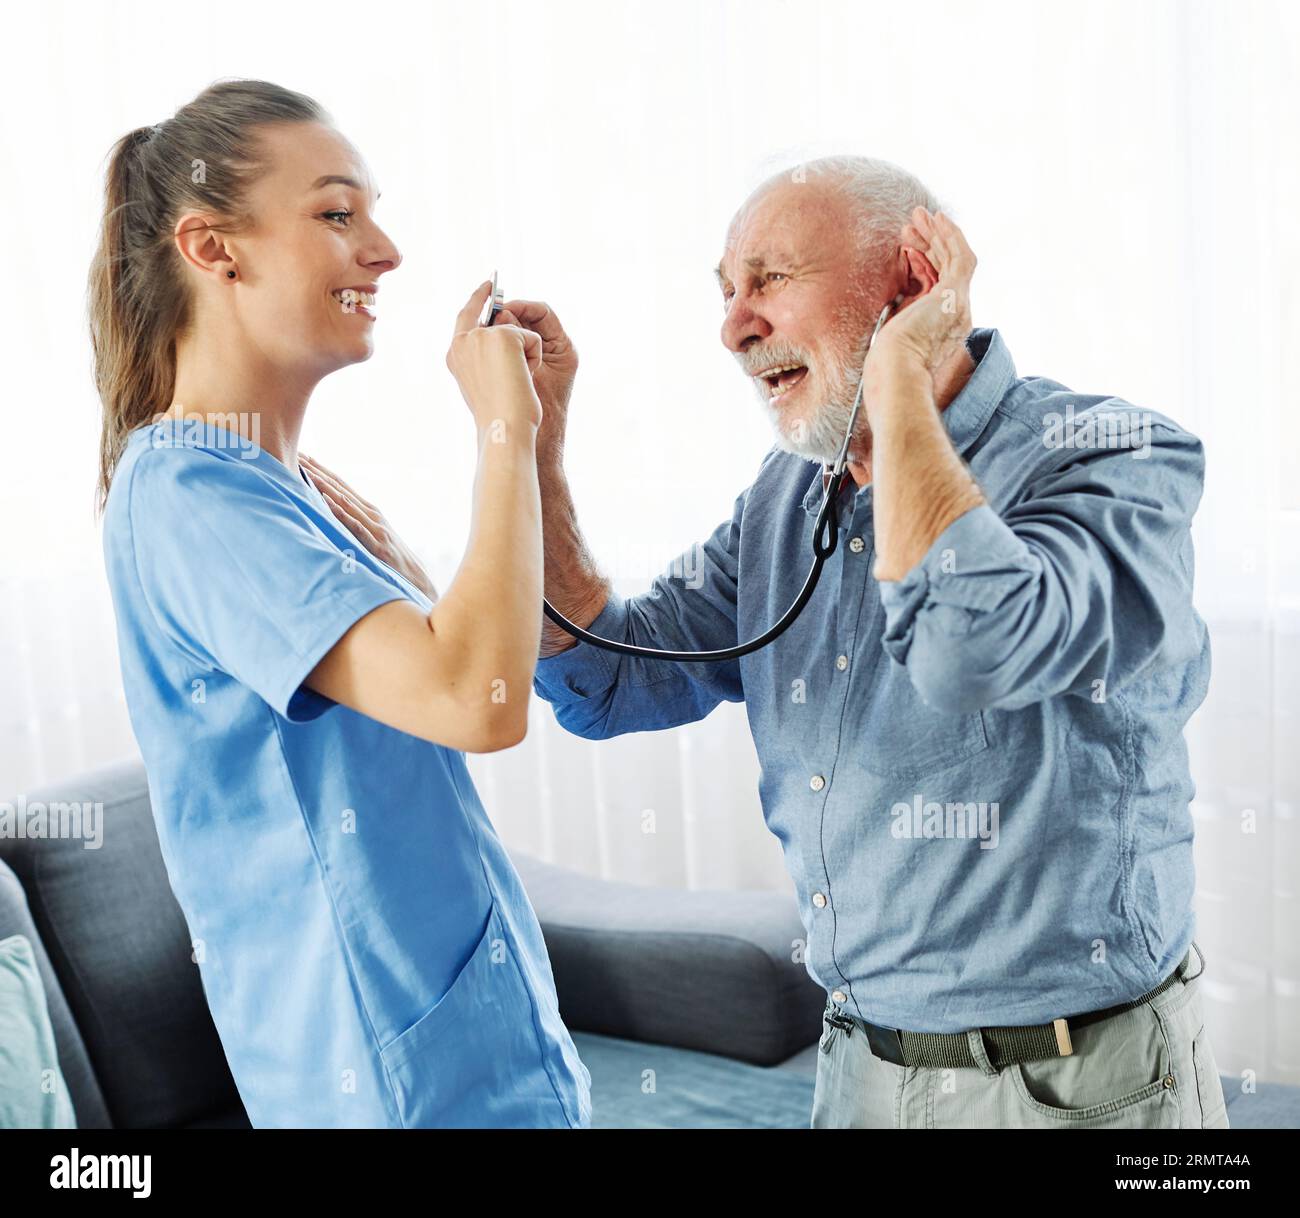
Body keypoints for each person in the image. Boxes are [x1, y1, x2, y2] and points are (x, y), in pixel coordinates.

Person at [527, 156, 1228, 1129]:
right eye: (725, 294)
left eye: (767, 280)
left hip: (1078, 1084)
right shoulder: (785, 499)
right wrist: (534, 457)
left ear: (908, 281)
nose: (733, 326)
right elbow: (606, 685)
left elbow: (970, 650)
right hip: (863, 1068)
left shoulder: (1111, 451)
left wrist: (899, 380)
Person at [92, 79, 589, 1128]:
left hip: (474, 1063)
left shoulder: (282, 490)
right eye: (335, 213)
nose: (384, 250)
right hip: (392, 1088)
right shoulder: (191, 494)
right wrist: (494, 430)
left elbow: (498, 656)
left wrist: (530, 447)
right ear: (214, 247)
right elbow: (481, 699)